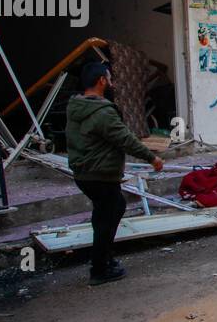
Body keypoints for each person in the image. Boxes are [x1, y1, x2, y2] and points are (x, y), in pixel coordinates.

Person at [66, 61, 164, 285]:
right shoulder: (101, 111)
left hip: (84, 173)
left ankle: (105, 260)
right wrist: (152, 157)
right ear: (102, 81)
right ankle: (100, 268)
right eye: (109, 78)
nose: (112, 82)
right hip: (99, 174)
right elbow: (125, 139)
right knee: (107, 216)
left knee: (110, 210)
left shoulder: (77, 106)